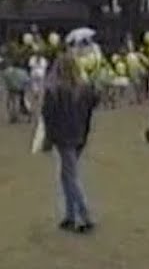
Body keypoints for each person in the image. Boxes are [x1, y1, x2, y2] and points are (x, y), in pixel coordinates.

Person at [41, 57, 100, 234]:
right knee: (67, 175)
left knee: (70, 177)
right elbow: (94, 103)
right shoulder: (84, 90)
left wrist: (47, 139)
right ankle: (70, 215)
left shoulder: (55, 91)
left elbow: (48, 118)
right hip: (80, 135)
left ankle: (84, 216)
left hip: (63, 137)